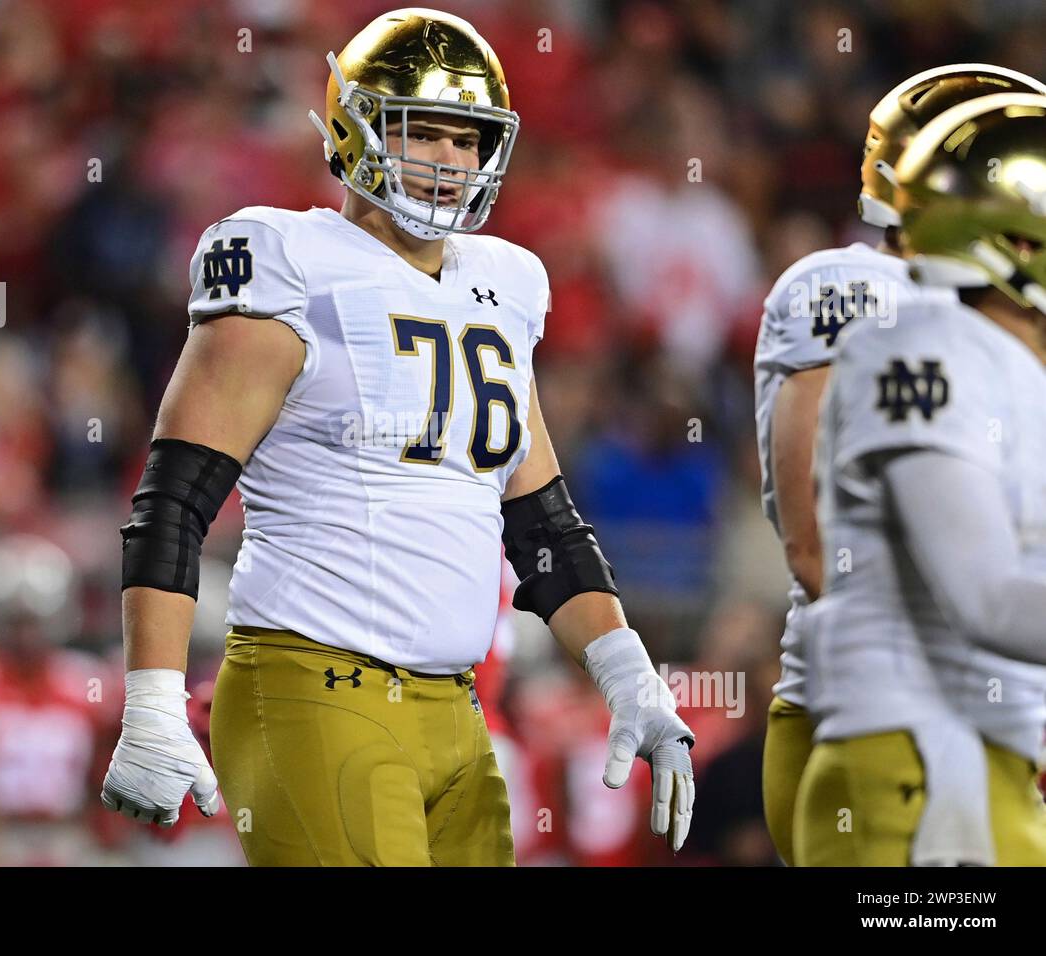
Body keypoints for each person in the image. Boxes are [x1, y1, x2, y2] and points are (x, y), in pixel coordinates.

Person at [99, 7, 695, 866]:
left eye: (468, 139)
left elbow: (543, 523)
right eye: (426, 134)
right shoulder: (289, 258)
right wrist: (151, 700)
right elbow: (174, 503)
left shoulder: (505, 281)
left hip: (456, 710)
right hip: (314, 686)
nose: (450, 163)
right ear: (356, 125)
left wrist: (628, 676)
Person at [752, 64, 1046, 866]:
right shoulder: (873, 306)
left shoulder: (1002, 351)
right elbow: (816, 549)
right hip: (898, 731)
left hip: (986, 733)